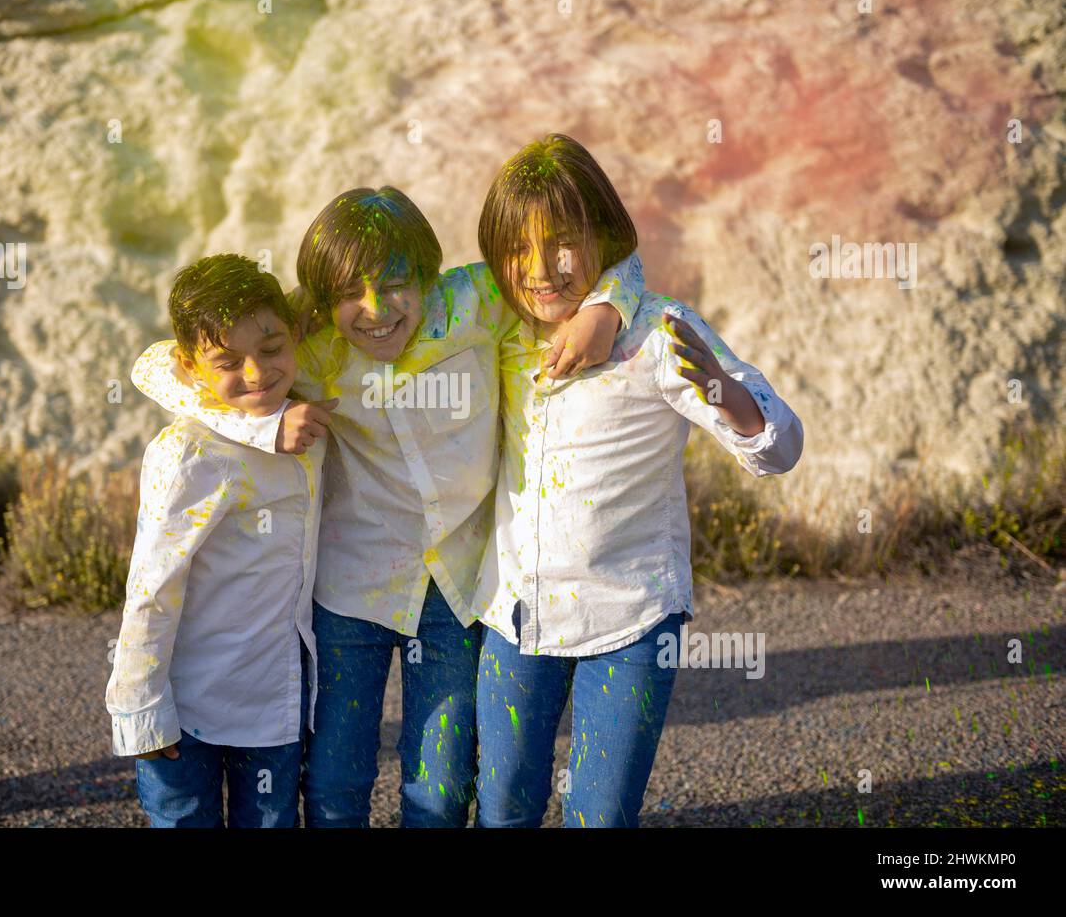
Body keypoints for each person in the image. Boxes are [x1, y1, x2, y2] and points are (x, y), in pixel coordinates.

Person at [131, 184, 638, 826]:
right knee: (337, 781)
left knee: (442, 782)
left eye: (396, 283)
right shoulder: (310, 342)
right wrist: (262, 429)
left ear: (428, 273)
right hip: (352, 590)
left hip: (456, 590)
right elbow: (159, 367)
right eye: (349, 295)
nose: (374, 309)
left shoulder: (474, 303)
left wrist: (607, 308)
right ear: (322, 299)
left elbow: (600, 263)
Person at [473, 133, 804, 827]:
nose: (539, 269)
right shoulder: (497, 327)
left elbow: (780, 448)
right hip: (515, 613)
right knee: (503, 804)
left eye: (561, 241)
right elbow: (404, 314)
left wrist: (723, 392)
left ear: (603, 230)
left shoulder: (658, 332)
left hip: (630, 617)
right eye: (519, 249)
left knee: (601, 814)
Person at [105, 253, 324, 828]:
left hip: (275, 702)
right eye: (228, 361)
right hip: (188, 707)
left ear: (294, 335)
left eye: (272, 350)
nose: (256, 373)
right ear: (191, 366)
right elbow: (151, 588)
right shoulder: (188, 455)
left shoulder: (306, 425)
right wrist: (139, 706)